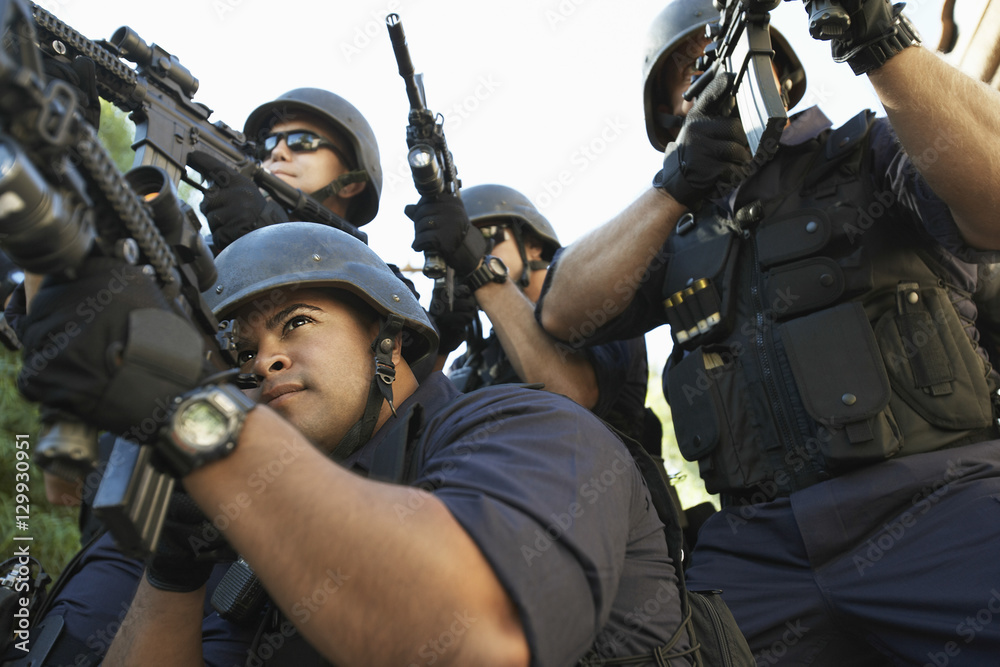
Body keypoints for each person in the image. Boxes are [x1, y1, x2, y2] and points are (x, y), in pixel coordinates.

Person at [536, 0, 1000, 663]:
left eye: (721, 48)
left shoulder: (873, 147)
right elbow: (563, 310)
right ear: (671, 113)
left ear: (779, 68)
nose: (711, 66)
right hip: (759, 546)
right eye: (687, 67)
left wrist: (880, 39)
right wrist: (675, 187)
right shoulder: (673, 235)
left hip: (937, 498)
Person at [12, 221, 694, 666]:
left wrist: (199, 419)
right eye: (241, 351)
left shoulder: (529, 429)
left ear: (388, 338)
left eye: (295, 322)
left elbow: (470, 640)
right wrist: (176, 566)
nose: (263, 361)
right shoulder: (268, 526)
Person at [416, 183, 652, 447]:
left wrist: (478, 269)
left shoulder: (597, 301)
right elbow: (422, 434)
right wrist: (438, 348)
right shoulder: (473, 360)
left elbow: (574, 398)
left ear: (533, 245)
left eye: (482, 241)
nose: (463, 257)